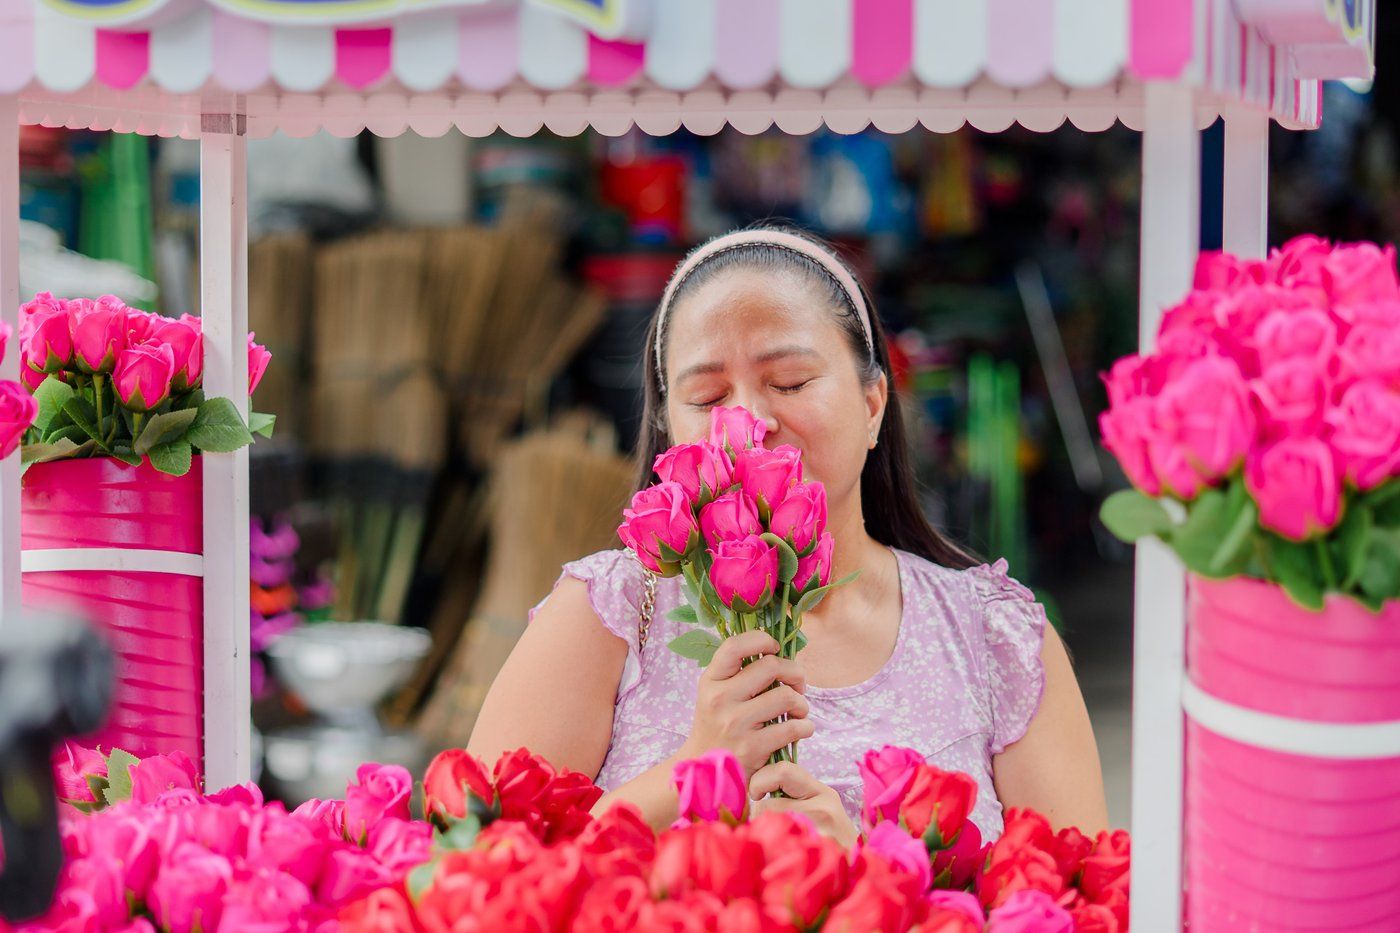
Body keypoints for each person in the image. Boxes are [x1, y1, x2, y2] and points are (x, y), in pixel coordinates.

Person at [470, 227, 1108, 846]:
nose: (750, 422)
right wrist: (693, 773)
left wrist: (866, 879)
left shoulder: (993, 639)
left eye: (790, 383)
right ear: (668, 431)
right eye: (707, 397)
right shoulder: (606, 616)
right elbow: (477, 877)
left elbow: (1075, 896)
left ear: (873, 405)